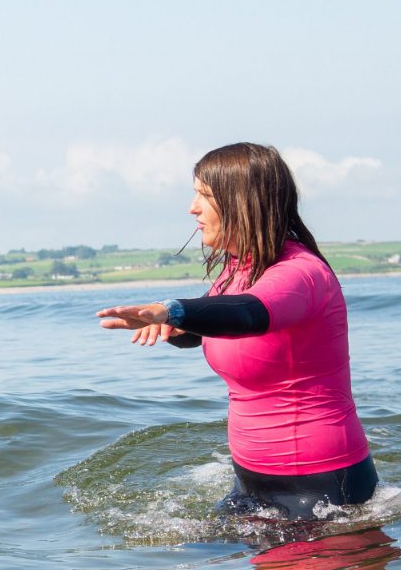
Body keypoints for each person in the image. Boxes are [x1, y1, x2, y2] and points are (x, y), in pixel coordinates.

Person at [97, 142, 378, 520]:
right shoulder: (240, 271)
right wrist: (176, 327)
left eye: (204, 196)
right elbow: (220, 324)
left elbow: (249, 314)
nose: (192, 208)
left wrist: (174, 309)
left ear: (242, 202)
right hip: (251, 479)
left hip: (319, 482)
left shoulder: (300, 274)